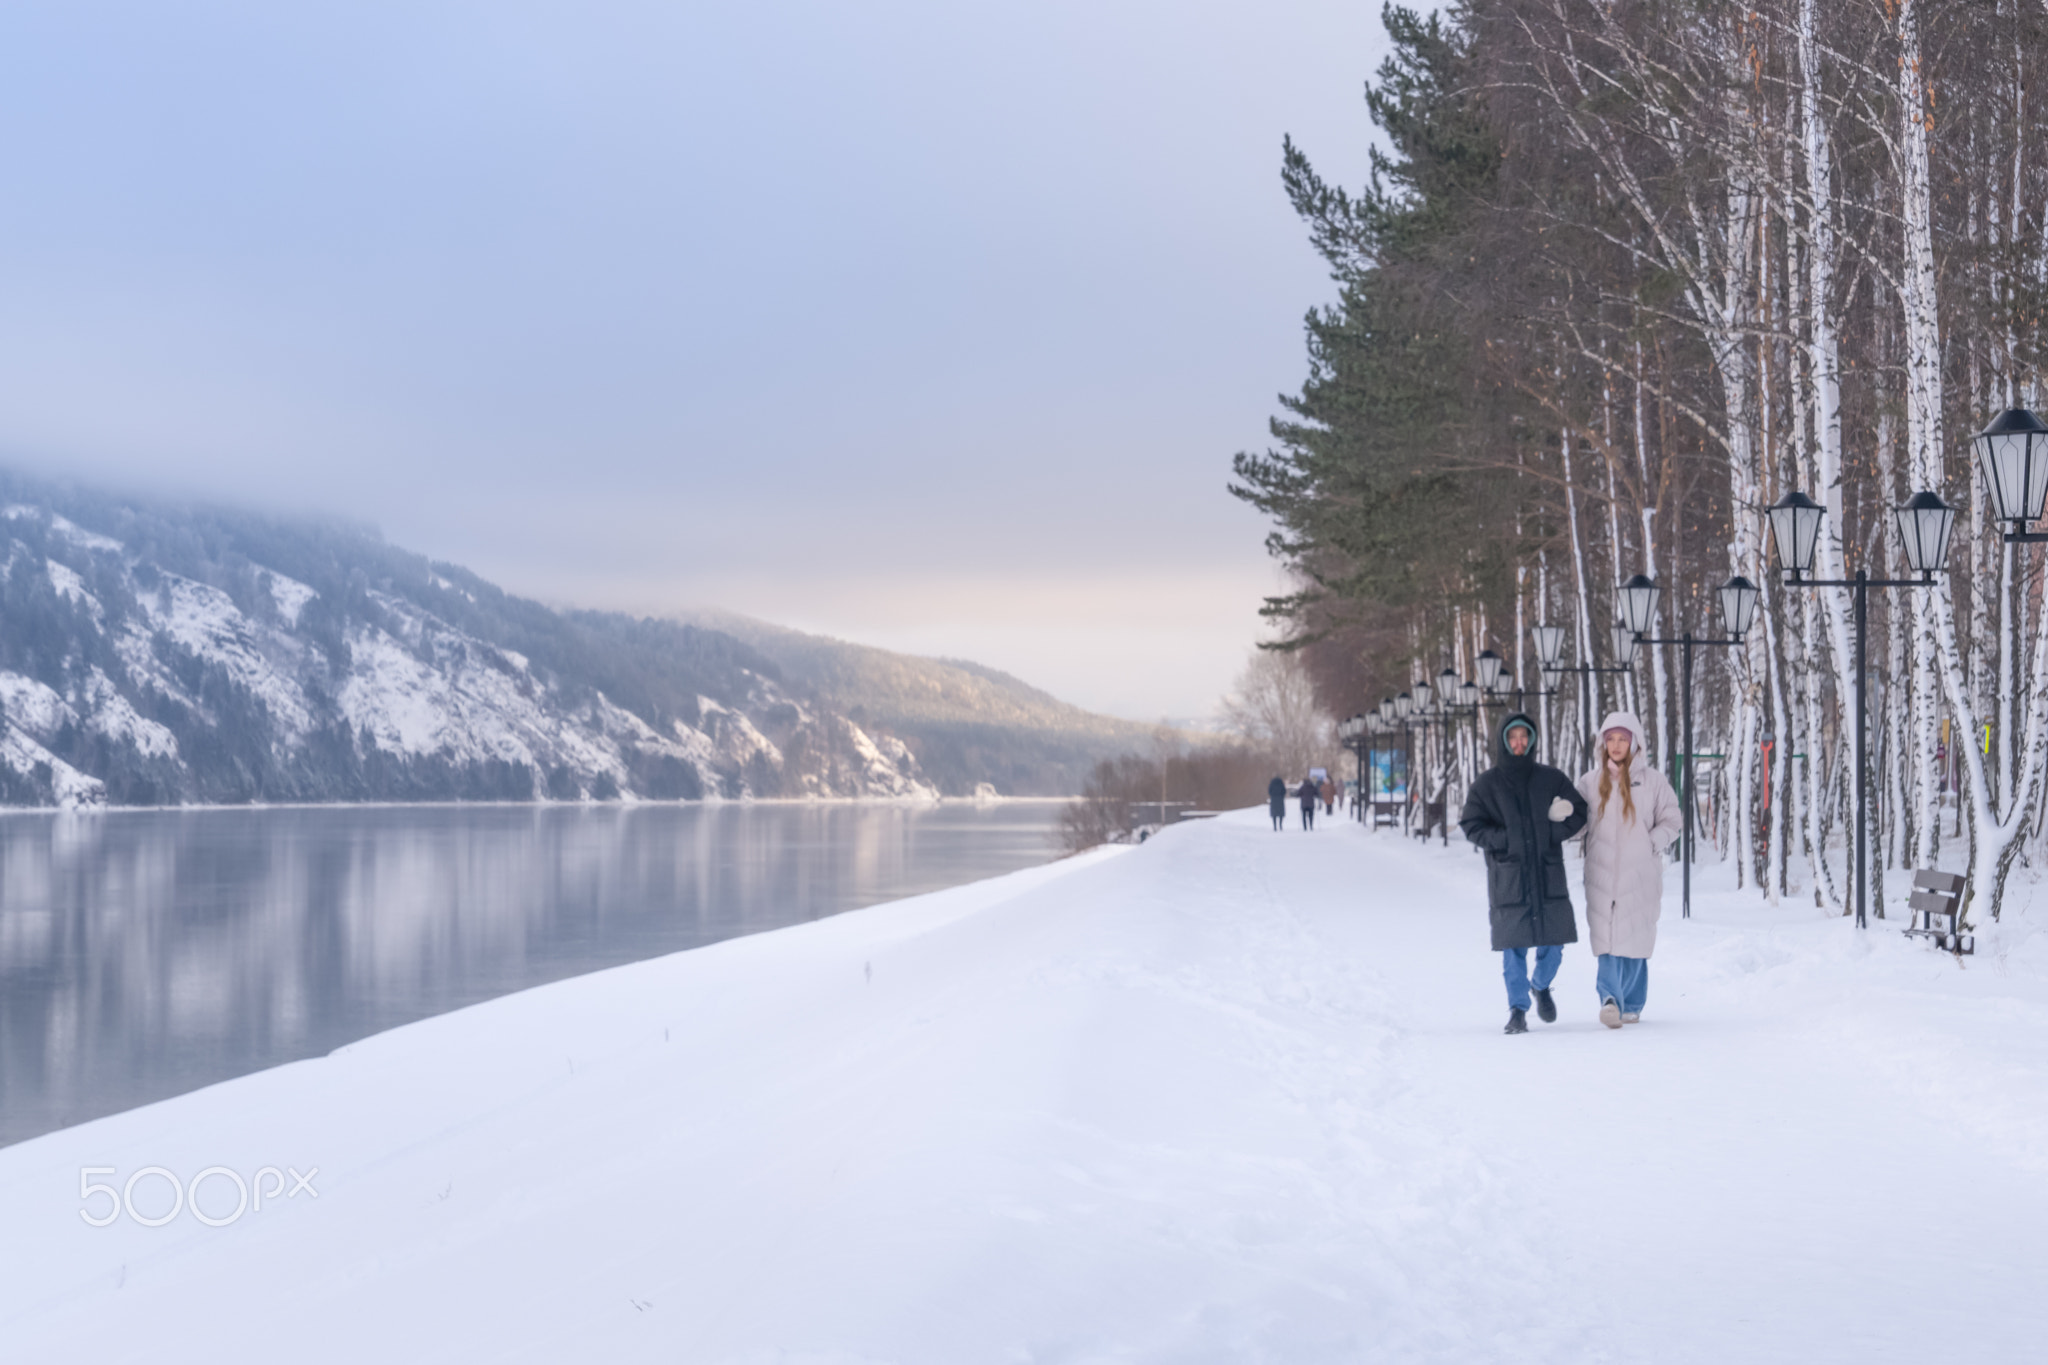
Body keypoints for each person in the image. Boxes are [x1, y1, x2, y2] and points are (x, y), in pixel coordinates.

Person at [1459, 713, 1589, 1034]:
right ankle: (1517, 1009)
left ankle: (1541, 985)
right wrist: (1503, 841)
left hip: (1547, 874)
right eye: (1513, 737)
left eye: (1524, 736)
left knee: (1554, 942)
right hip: (1509, 876)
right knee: (1513, 947)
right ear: (1504, 740)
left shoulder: (1551, 778)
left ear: (1531, 740)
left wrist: (1552, 834)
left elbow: (1579, 810)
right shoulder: (1487, 785)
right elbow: (1471, 824)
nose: (1519, 743)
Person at [1575, 711, 1683, 1028]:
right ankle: (1610, 1000)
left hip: (1641, 874)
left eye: (1623, 739)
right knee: (1606, 938)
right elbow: (1576, 823)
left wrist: (1651, 843)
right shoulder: (1591, 783)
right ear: (1603, 743)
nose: (1617, 745)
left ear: (1634, 742)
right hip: (1601, 874)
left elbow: (1672, 820)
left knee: (1635, 937)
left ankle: (1633, 1002)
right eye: (1611, 739)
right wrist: (1560, 816)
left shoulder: (1653, 782)